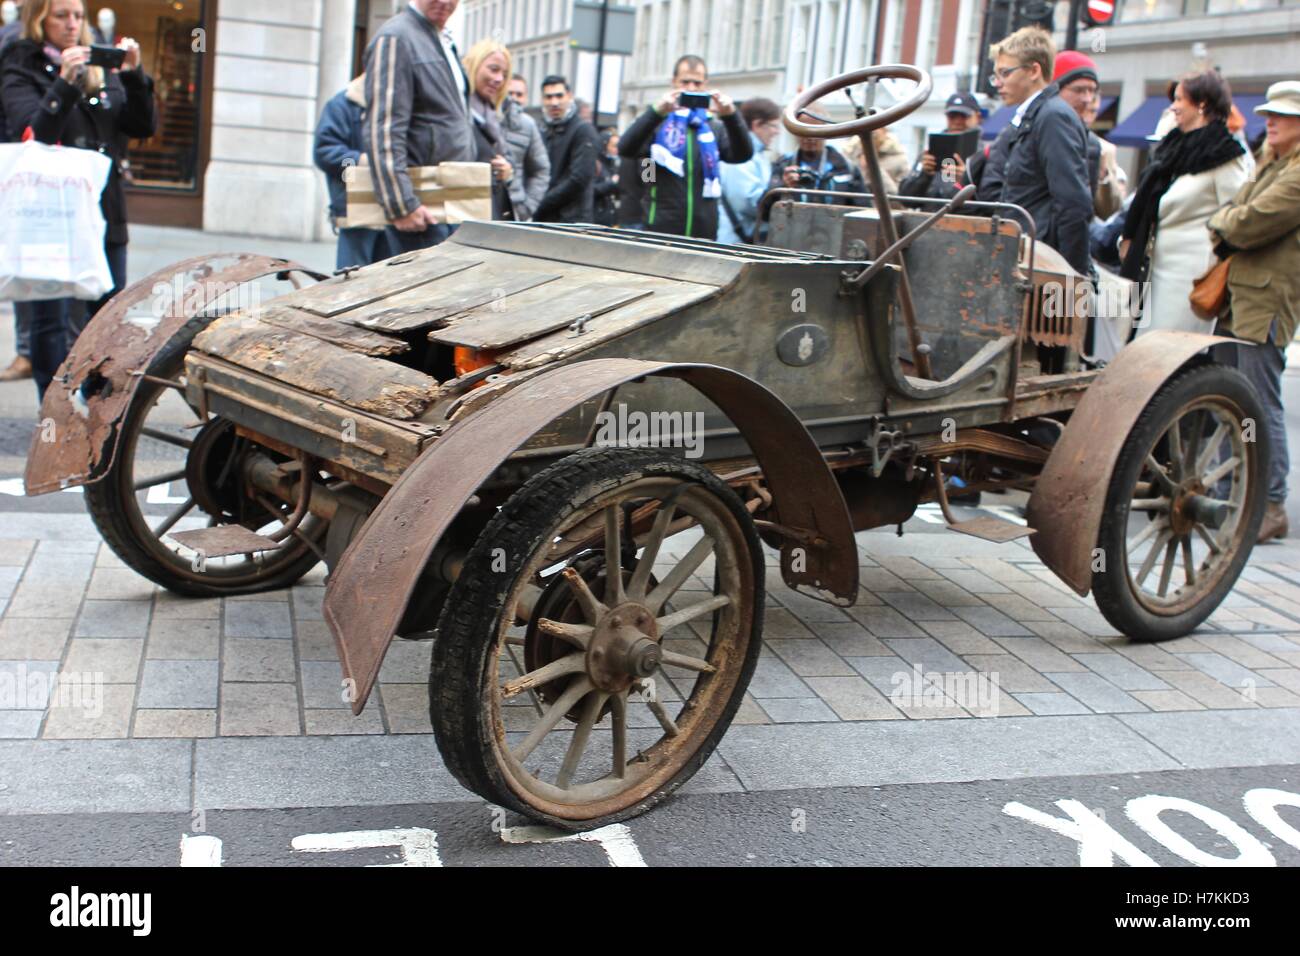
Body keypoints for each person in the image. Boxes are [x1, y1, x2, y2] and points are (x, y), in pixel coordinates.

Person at [1, 0, 155, 399]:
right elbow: (30, 133)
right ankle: (56, 415)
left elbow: (140, 125)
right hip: (51, 214)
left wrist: (135, 76)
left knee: (107, 316)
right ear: (39, 20)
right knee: (51, 322)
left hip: (103, 210)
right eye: (60, 16)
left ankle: (99, 414)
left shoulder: (100, 64)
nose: (72, 25)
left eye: (77, 16)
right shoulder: (21, 63)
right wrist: (66, 82)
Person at [1207, 80, 1300, 542]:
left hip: (1265, 302)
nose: (1270, 122)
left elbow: (1249, 221)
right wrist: (1228, 222)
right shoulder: (1274, 163)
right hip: (1241, 298)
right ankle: (1230, 495)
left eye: (1281, 116)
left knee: (1260, 404)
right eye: (1270, 114)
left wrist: (1226, 225)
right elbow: (1236, 210)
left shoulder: (1297, 172)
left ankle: (1271, 504)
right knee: (1232, 398)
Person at [1121, 70, 1250, 336]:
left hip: (1190, 275)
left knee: (1168, 352)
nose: (1173, 106)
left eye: (1179, 99)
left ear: (1201, 104)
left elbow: (1239, 214)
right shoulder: (1174, 146)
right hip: (1156, 269)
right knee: (1144, 348)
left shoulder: (1223, 153)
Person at [362, 0, 474, 254]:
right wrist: (401, 204)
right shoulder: (396, 38)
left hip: (445, 202)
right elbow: (384, 127)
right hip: (421, 207)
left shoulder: (440, 39)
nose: (445, 1)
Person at [989, 26, 1092, 276]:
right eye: (996, 75)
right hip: (1028, 259)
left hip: (1044, 266)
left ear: (1034, 70)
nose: (998, 83)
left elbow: (1073, 203)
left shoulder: (1052, 116)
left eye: (1005, 73)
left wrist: (1073, 278)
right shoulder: (1036, 115)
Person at [617, 54, 752, 240]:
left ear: (706, 84)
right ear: (673, 82)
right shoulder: (658, 124)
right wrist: (656, 112)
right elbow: (627, 149)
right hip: (662, 228)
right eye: (685, 82)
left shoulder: (713, 127)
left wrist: (731, 116)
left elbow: (742, 155)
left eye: (697, 83)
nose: (691, 88)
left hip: (704, 230)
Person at [313, 76, 392, 269]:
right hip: (356, 212)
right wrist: (358, 161)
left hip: (394, 212)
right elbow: (325, 152)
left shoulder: (400, 106)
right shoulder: (342, 105)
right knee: (351, 279)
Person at [0, 0, 32, 382]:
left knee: (26, 258)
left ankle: (27, 352)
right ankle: (27, 351)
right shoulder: (16, 40)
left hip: (21, 166)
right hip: (16, 161)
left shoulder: (16, 40)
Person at [532, 74, 599, 224]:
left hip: (570, 220)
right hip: (547, 217)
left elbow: (579, 178)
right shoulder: (541, 129)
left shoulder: (583, 130)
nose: (554, 102)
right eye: (548, 97)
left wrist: (539, 203)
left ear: (569, 96)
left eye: (559, 96)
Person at [461, 39, 515, 220]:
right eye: (493, 69)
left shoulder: (493, 114)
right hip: (465, 212)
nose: (499, 78)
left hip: (489, 212)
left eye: (504, 74)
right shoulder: (459, 111)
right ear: (474, 66)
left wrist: (507, 171)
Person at [770, 108, 867, 206]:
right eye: (804, 131)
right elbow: (765, 211)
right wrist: (782, 187)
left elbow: (861, 210)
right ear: (795, 132)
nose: (810, 137)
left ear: (826, 130)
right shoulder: (783, 166)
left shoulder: (846, 168)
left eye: (815, 130)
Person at [717, 96, 780, 244]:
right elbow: (746, 202)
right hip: (733, 244)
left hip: (741, 242)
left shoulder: (758, 154)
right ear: (757, 124)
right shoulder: (743, 153)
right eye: (774, 126)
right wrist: (778, 192)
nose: (777, 132)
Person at [899, 91, 981, 201]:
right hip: (930, 216)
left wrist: (966, 179)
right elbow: (905, 199)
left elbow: (990, 200)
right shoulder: (931, 152)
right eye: (952, 116)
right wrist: (924, 175)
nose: (957, 121)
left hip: (966, 217)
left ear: (977, 117)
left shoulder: (986, 154)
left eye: (963, 116)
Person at [500, 72, 549, 220]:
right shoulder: (486, 117)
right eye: (510, 93)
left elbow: (541, 169)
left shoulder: (528, 124)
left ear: (526, 97)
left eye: (519, 94)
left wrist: (527, 207)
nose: (514, 98)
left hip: (515, 209)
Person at [593, 128, 620, 226]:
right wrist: (612, 183)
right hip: (597, 219)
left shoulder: (613, 165)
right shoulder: (595, 164)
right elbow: (590, 190)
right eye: (614, 146)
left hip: (610, 219)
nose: (617, 150)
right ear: (604, 145)